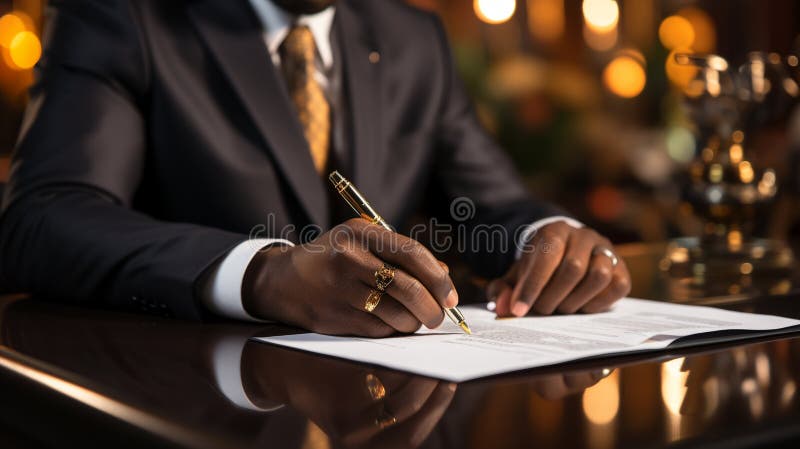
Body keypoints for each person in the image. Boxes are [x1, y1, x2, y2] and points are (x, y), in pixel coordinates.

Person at [0, 0, 631, 336]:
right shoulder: (121, 14)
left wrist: (545, 237)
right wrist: (265, 274)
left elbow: (492, 204)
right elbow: (43, 218)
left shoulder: (412, 38)